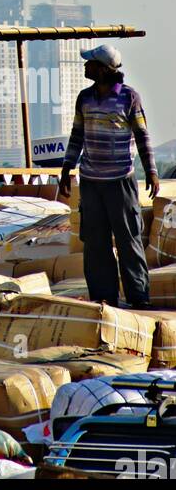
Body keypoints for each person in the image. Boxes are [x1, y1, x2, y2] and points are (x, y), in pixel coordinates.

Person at [58, 44, 159, 309]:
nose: (85, 66)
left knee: (128, 240)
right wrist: (66, 168)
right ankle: (105, 298)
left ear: (103, 69)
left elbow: (142, 136)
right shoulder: (84, 98)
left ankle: (139, 298)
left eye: (89, 63)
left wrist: (151, 171)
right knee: (95, 243)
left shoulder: (129, 98)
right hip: (91, 182)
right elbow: (77, 135)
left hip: (120, 181)